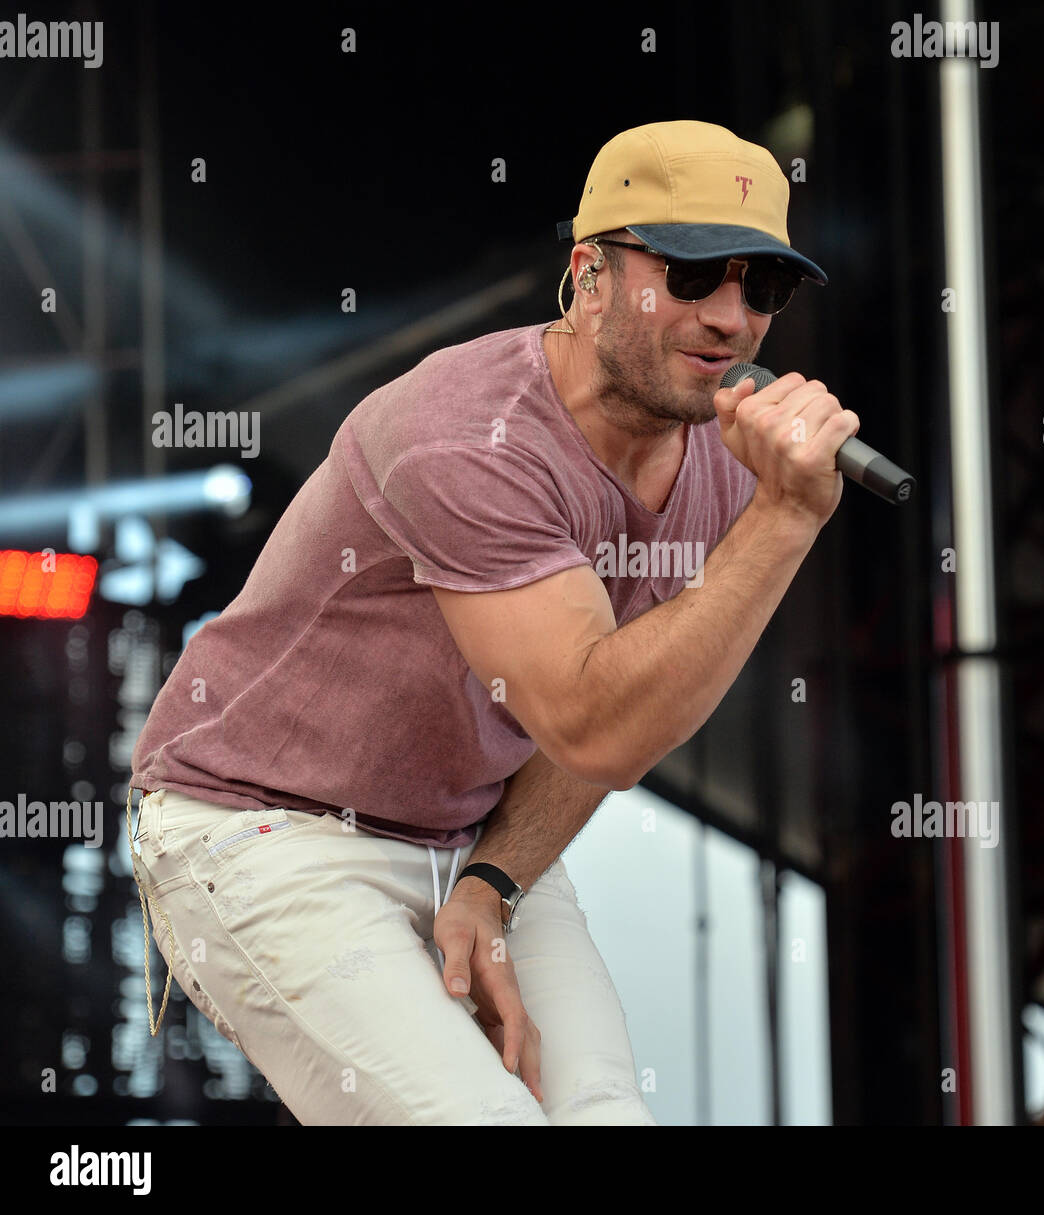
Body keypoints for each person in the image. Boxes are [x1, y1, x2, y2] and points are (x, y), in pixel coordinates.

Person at [126, 118, 858, 1125]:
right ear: (589, 273)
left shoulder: (727, 462)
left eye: (762, 287)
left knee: (606, 1113)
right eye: (691, 277)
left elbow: (627, 716)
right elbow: (592, 720)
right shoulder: (469, 437)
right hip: (264, 825)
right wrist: (784, 522)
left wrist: (495, 881)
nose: (731, 318)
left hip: (467, 833)